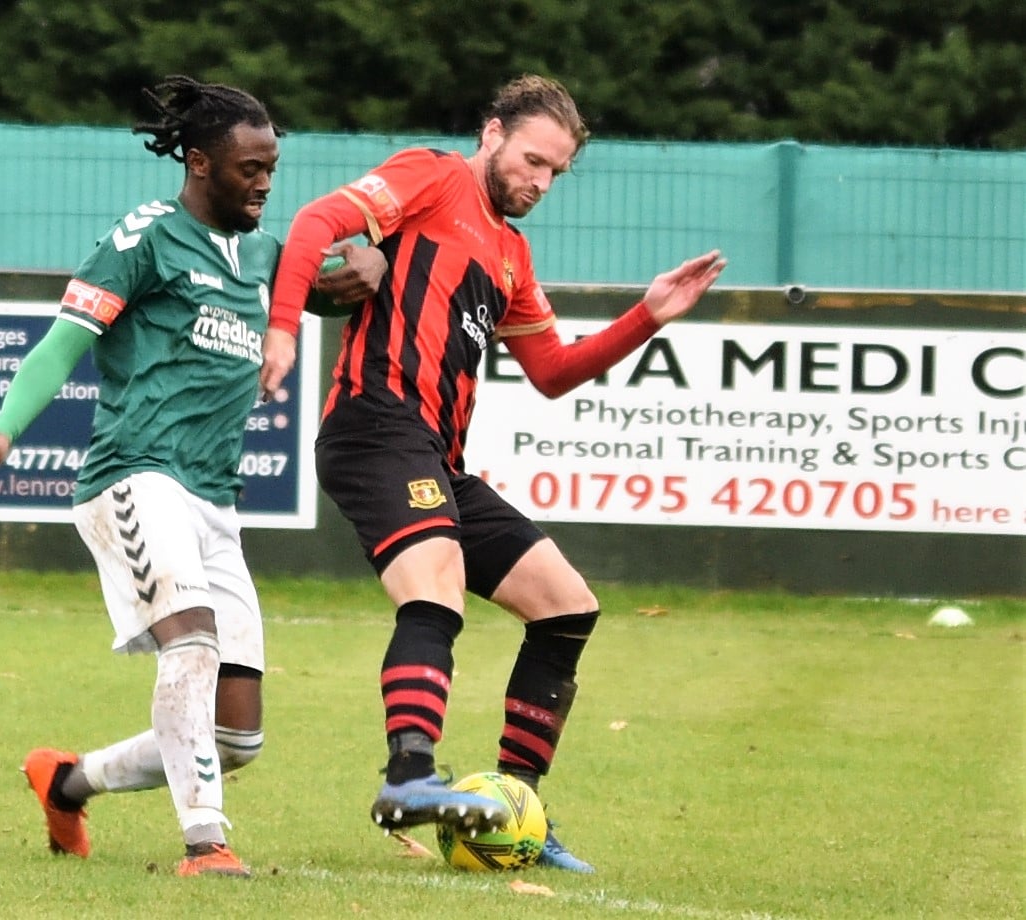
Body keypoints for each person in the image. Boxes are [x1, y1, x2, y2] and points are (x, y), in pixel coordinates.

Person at [258, 74, 726, 872]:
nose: (540, 182)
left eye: (555, 172)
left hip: (436, 457)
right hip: (374, 427)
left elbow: (551, 370)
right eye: (532, 160)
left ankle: (516, 814)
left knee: (565, 607)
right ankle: (408, 777)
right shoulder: (430, 176)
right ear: (491, 134)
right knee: (434, 585)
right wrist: (283, 329)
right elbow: (313, 223)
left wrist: (646, 315)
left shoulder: (510, 254)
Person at [0, 75, 383, 878]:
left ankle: (66, 782)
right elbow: (63, 342)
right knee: (189, 644)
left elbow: (341, 279)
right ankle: (205, 843)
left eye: (271, 168)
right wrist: (6, 428)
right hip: (134, 477)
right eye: (249, 168)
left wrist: (371, 263)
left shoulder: (264, 257)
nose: (264, 182)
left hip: (214, 500)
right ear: (198, 163)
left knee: (237, 737)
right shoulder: (144, 238)